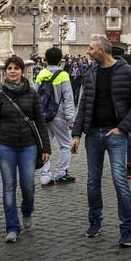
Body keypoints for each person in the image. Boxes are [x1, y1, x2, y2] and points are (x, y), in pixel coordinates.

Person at [70, 34, 131, 247]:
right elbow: (84, 105)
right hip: (93, 135)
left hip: (116, 135)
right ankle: (95, 221)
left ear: (102, 50)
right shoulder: (90, 72)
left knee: (120, 180)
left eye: (91, 48)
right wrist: (76, 134)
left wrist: (122, 128)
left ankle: (127, 229)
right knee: (93, 182)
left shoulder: (127, 72)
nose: (88, 52)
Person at [0, 56, 51, 243]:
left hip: (28, 146)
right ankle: (12, 227)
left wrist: (46, 147)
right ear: (5, 72)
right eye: (9, 68)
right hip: (5, 146)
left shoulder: (32, 94)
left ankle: (27, 211)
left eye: (16, 68)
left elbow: (40, 122)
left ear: (22, 71)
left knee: (28, 186)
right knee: (8, 187)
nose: (12, 71)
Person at [37, 47, 76, 188]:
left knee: (44, 146)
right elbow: (68, 98)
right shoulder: (63, 75)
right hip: (59, 115)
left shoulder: (41, 73)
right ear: (60, 60)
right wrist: (71, 119)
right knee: (65, 145)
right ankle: (60, 173)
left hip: (43, 116)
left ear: (46, 59)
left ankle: (45, 177)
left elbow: (36, 96)